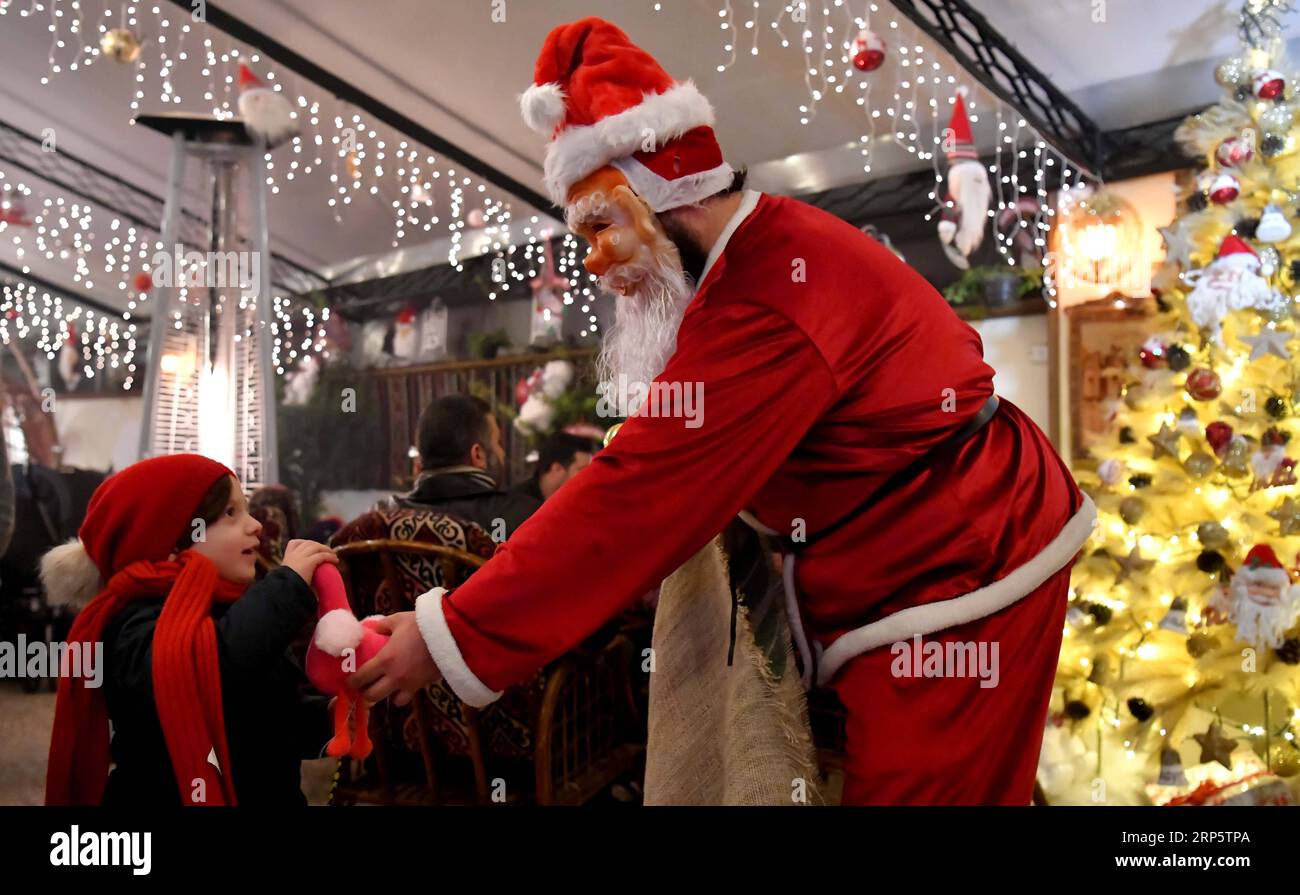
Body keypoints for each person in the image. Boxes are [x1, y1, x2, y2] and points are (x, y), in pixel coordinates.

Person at [353, 17, 1093, 806]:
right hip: (899, 560)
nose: (595, 262)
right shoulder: (739, 275)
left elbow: (639, 489)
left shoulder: (771, 297)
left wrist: (450, 633)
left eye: (602, 225)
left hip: (964, 556)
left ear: (663, 195)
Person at [42, 454, 339, 806]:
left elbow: (269, 719)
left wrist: (328, 718)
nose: (255, 525)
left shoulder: (237, 609)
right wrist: (286, 587)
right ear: (171, 539)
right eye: (230, 513)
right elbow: (209, 668)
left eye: (246, 509)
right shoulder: (130, 621)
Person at [380, 394, 540, 539]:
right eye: (497, 442)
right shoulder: (527, 519)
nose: (502, 453)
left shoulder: (381, 518)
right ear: (477, 455)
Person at [511, 432, 599, 503]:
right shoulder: (518, 506)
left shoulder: (577, 502)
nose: (589, 477)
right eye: (583, 470)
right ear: (557, 468)